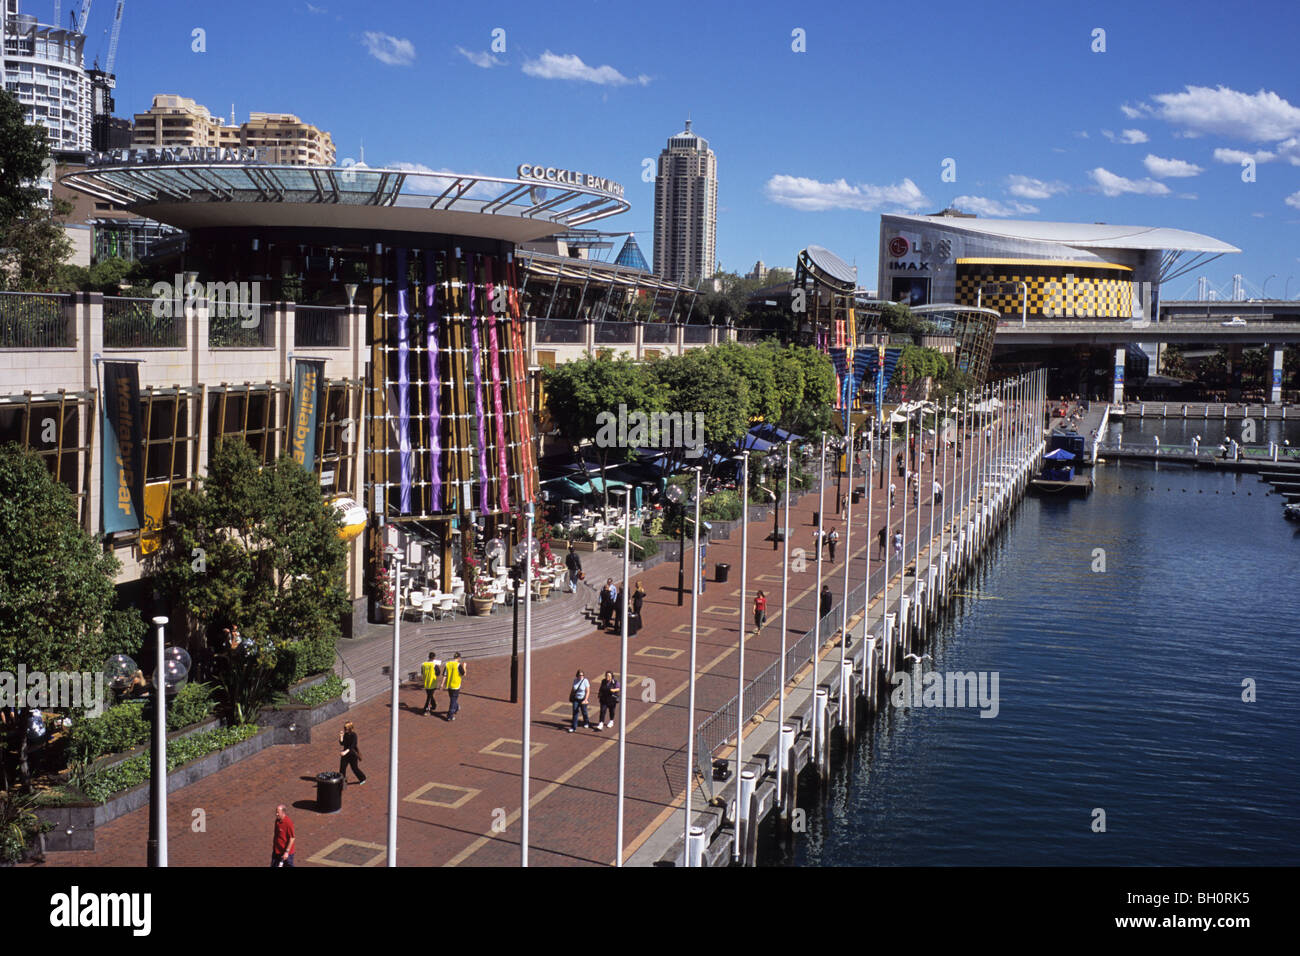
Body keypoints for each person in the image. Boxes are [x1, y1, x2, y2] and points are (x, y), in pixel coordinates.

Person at [443, 653, 466, 721]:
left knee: (452, 699)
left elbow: (445, 674)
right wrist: (464, 666)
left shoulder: (448, 664)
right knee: (453, 700)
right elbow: (464, 674)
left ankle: (456, 707)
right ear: (459, 658)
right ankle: (450, 715)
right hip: (456, 685)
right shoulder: (458, 665)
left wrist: (442, 684)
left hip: (449, 685)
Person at [420, 651, 442, 715]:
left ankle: (434, 705)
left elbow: (422, 672)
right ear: (434, 658)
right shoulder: (434, 665)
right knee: (429, 697)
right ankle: (426, 710)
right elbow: (438, 673)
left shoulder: (423, 664)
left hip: (426, 682)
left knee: (429, 695)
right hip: (432, 682)